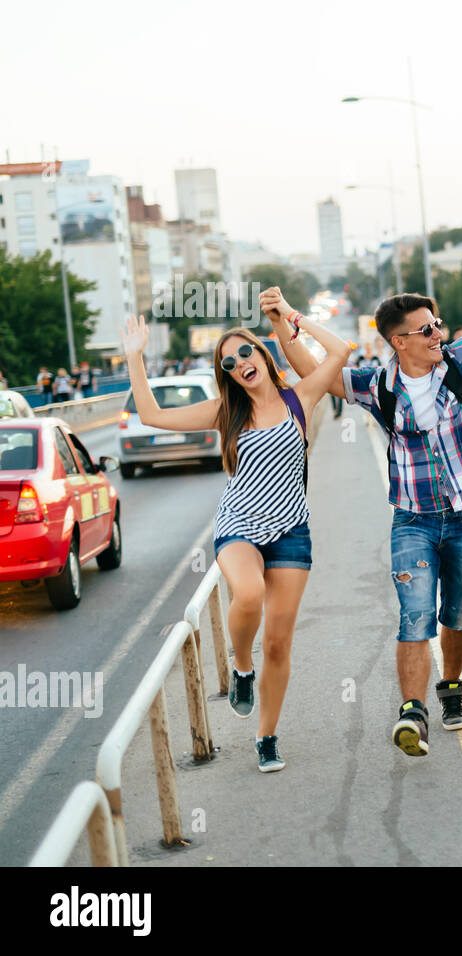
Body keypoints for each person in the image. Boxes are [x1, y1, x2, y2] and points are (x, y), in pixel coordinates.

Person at [273, 233, 462, 759]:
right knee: (414, 615)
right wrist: (283, 322)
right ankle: (413, 713)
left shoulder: (459, 361)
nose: (437, 333)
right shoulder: (375, 384)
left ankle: (450, 686)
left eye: (437, 325)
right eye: (425, 329)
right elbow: (310, 367)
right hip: (413, 519)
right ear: (399, 341)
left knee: (459, 610)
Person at [121, 297, 350, 772]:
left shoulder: (299, 397)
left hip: (291, 530)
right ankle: (240, 666)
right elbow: (151, 416)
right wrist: (135, 357)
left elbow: (340, 353)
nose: (239, 364)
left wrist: (294, 318)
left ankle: (266, 737)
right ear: (225, 375)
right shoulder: (226, 411)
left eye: (245, 353)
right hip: (239, 526)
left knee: (280, 644)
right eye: (228, 363)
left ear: (264, 356)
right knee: (246, 595)